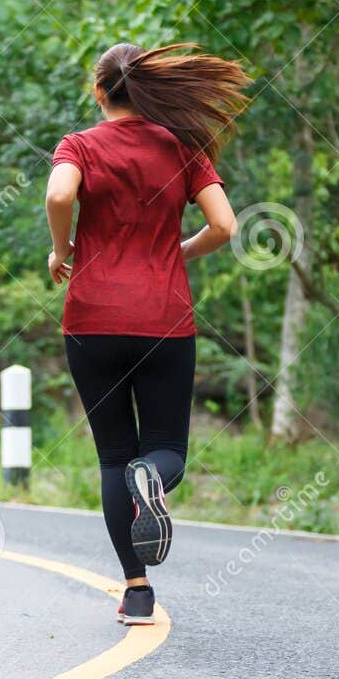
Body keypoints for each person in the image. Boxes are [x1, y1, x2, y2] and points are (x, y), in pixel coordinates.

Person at [45, 42, 250, 626]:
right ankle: (152, 478)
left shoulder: (79, 145)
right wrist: (176, 251)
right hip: (163, 318)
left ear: (99, 91)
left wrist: (62, 251)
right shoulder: (181, 149)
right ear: (150, 91)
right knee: (165, 451)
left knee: (113, 456)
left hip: (91, 320)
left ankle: (137, 592)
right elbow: (225, 225)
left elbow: (60, 194)